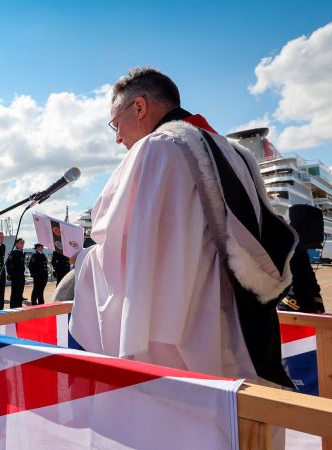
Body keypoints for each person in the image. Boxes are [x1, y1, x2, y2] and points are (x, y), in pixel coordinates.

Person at [65, 67, 296, 385]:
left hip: (186, 345)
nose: (117, 137)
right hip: (245, 333)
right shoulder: (236, 154)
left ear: (140, 107)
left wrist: (82, 262)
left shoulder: (158, 149)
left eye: (116, 124)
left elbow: (128, 253)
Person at [278, 205, 325, 314]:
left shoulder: (298, 246)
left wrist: (318, 304)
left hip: (297, 305)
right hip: (291, 309)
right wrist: (311, 309)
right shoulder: (291, 246)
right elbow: (297, 285)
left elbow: (309, 278)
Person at [6, 238, 26, 308]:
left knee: (20, 291)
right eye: (21, 242)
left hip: (21, 275)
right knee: (15, 292)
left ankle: (19, 305)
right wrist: (10, 274)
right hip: (15, 275)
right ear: (16, 244)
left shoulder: (21, 252)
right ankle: (13, 306)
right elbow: (8, 264)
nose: (22, 244)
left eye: (23, 242)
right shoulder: (13, 252)